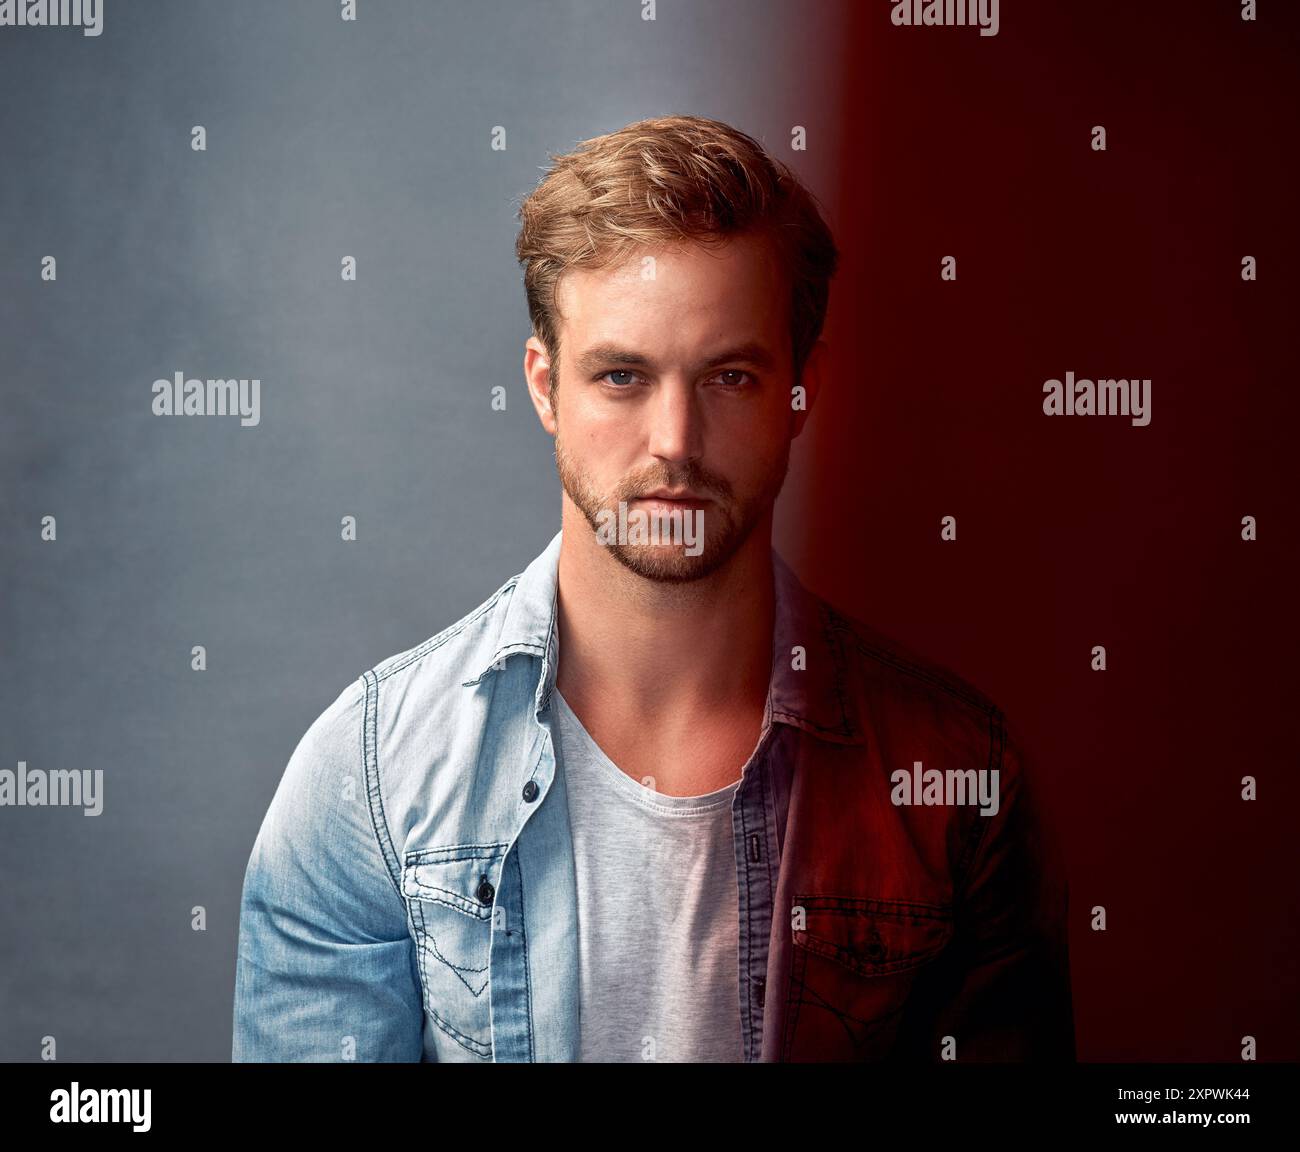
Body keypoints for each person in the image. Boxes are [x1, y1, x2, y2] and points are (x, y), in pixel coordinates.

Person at [232, 114, 1075, 1062]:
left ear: (802, 389)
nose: (675, 438)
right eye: (623, 376)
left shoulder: (957, 780)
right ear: (546, 387)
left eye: (730, 376)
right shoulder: (370, 776)